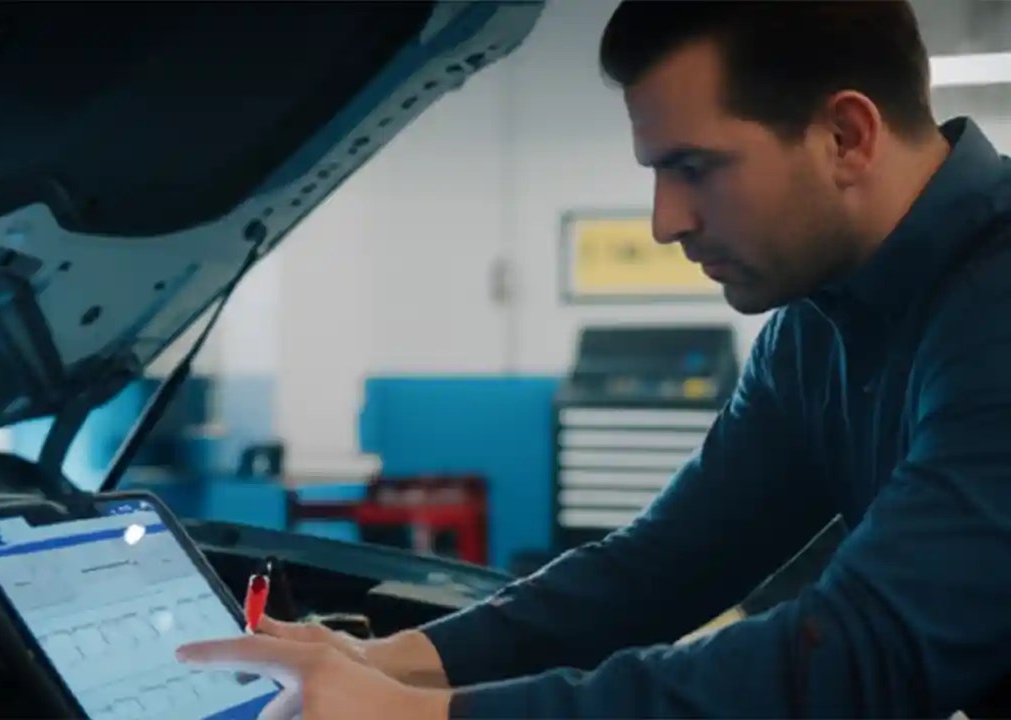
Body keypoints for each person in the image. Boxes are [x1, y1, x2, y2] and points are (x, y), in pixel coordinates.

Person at [178, 1, 1011, 717]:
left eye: (694, 168)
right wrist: (384, 662)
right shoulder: (816, 326)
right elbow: (663, 566)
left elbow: (858, 659)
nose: (665, 220)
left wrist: (429, 717)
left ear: (846, 135)